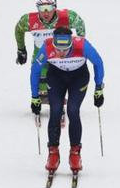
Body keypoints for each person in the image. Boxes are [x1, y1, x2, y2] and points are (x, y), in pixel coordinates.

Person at [31, 27, 105, 173]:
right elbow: (35, 70)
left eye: (66, 49)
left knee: (72, 110)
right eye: (58, 49)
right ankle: (53, 152)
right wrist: (34, 97)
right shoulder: (46, 47)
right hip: (56, 76)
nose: (62, 53)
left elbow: (98, 62)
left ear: (71, 43)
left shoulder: (82, 45)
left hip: (79, 77)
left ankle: (75, 153)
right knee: (56, 110)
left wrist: (99, 87)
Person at [15, 0, 86, 103]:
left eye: (49, 8)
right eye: (42, 8)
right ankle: (42, 94)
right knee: (39, 75)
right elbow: (18, 30)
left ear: (55, 7)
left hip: (61, 53)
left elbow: (80, 24)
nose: (46, 12)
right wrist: (21, 49)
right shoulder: (29, 20)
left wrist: (79, 46)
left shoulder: (67, 17)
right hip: (41, 52)